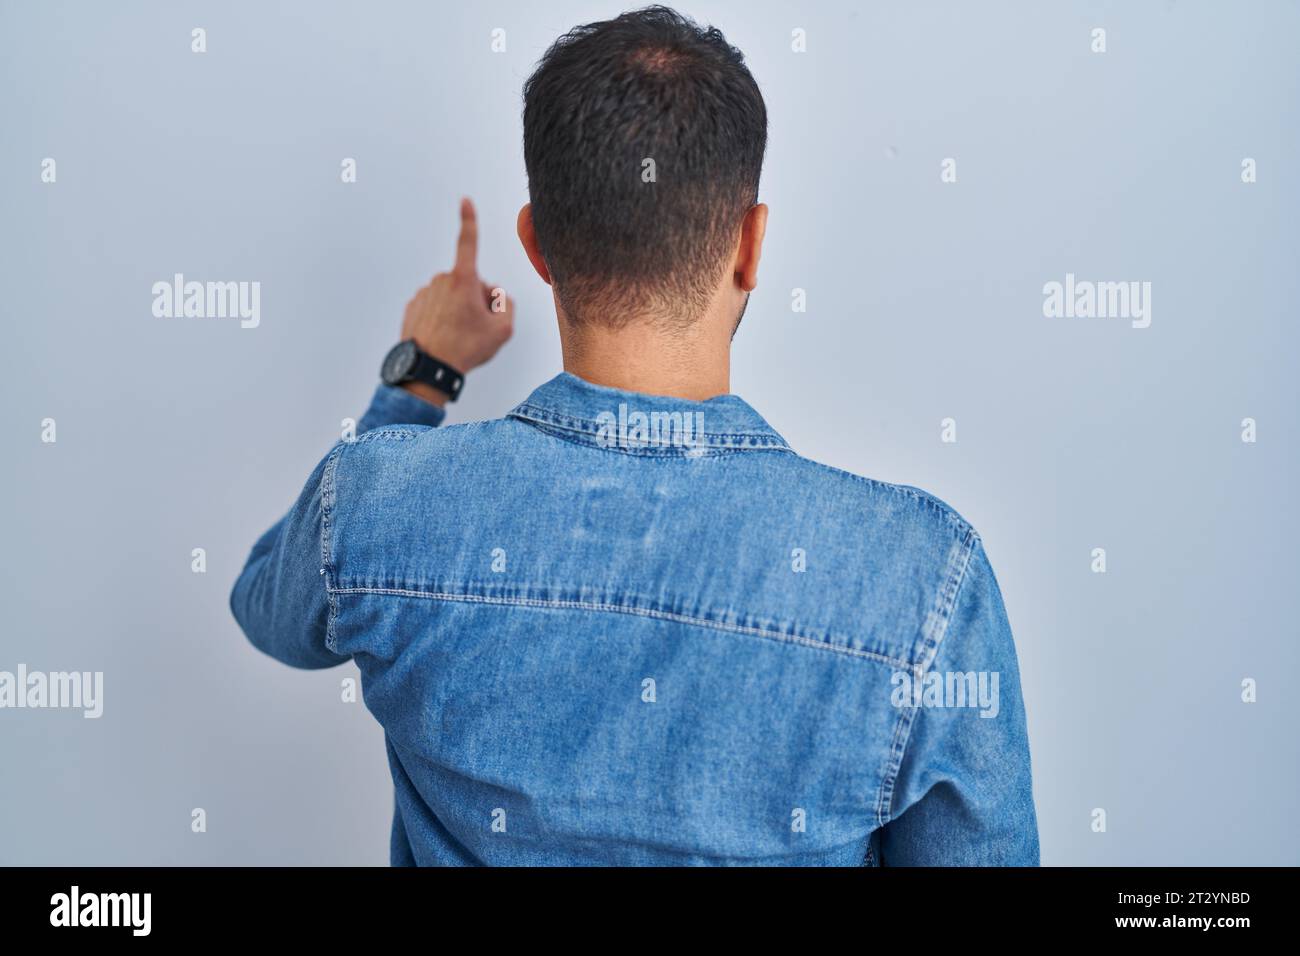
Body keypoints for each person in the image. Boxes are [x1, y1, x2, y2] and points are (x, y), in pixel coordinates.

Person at [231, 5, 1038, 866]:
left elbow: (265, 609)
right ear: (751, 245)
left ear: (535, 243)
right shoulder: (923, 578)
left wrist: (422, 370)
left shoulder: (377, 509)